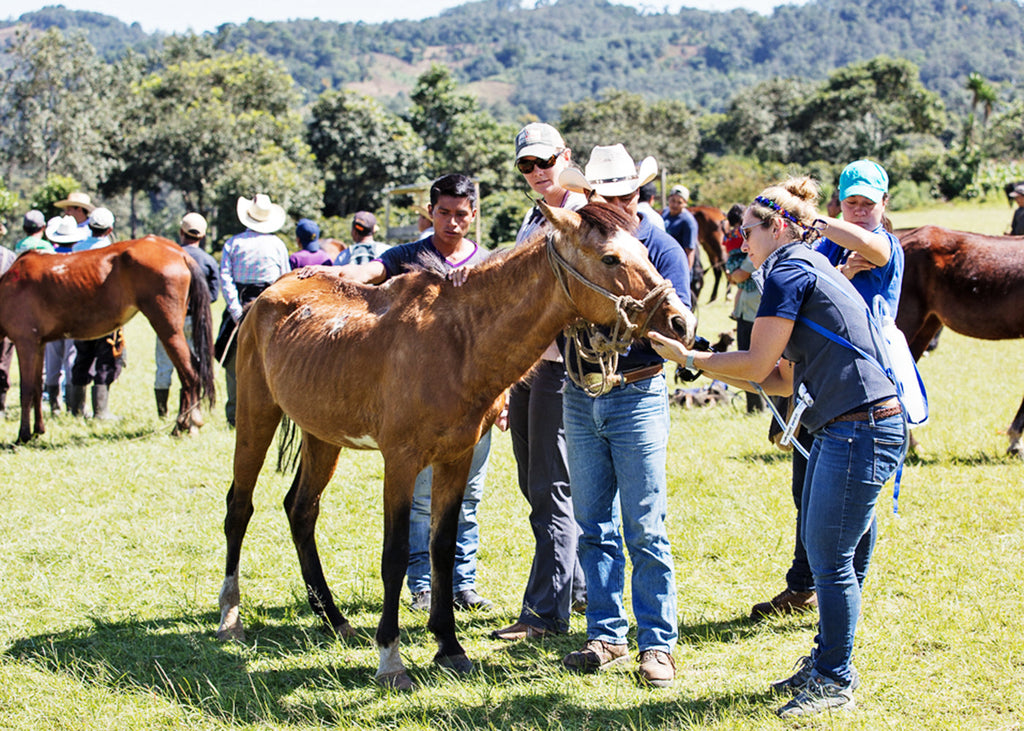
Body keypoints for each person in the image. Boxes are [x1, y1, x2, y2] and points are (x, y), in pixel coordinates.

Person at [648, 175, 908, 718]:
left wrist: (690, 360)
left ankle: (834, 679)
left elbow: (759, 365)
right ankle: (827, 662)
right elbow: (782, 380)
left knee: (830, 559)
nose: (740, 242)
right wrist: (706, 364)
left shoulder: (788, 269)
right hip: (855, 424)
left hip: (859, 427)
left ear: (779, 227)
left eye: (747, 231)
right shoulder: (807, 266)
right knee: (834, 556)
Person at [557, 144, 691, 688]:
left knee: (644, 525)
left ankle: (658, 643)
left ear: (640, 192)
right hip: (579, 391)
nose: (619, 204)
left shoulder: (659, 244)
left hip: (636, 392)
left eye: (627, 194)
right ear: (591, 196)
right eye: (607, 195)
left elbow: (684, 324)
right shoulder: (574, 245)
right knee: (594, 524)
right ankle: (607, 634)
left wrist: (631, 319)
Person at [333, 174, 493, 611]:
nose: (452, 222)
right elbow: (374, 270)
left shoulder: (487, 266)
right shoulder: (410, 255)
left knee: (468, 496)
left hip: (477, 404)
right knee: (422, 498)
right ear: (430, 212)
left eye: (462, 214)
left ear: (474, 215)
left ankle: (463, 582)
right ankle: (423, 583)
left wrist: (505, 396)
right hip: (422, 406)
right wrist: (339, 272)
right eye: (443, 213)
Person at [752, 159, 904, 621]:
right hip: (818, 379)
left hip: (861, 381)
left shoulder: (880, 243)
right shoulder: (829, 250)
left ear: (884, 205)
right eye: (850, 202)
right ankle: (805, 584)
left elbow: (874, 251)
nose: (858, 211)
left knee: (847, 498)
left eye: (867, 203)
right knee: (809, 488)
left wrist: (815, 221)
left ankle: (843, 588)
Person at [490, 122, 588, 642]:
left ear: (564, 156)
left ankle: (545, 613)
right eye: (525, 165)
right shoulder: (536, 214)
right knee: (537, 485)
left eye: (543, 162)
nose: (535, 172)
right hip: (531, 366)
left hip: (560, 368)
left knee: (551, 486)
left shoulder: (579, 214)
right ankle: (574, 587)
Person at [217, 194, 291, 426]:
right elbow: (285, 277)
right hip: (271, 306)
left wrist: (236, 311)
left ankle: (234, 413)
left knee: (232, 361)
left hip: (240, 304)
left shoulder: (233, 243)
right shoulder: (278, 244)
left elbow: (226, 278)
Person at [154, 212, 220, 417]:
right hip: (198, 321)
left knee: (164, 365)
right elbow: (214, 294)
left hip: (171, 321)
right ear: (202, 236)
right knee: (196, 363)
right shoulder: (208, 260)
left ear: (181, 232)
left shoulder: (167, 259)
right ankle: (193, 407)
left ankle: (162, 412)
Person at [68, 208, 122, 419]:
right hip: (106, 315)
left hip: (81, 314)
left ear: (89, 227)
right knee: (106, 359)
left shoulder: (77, 248)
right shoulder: (114, 253)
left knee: (82, 357)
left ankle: (76, 409)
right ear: (109, 229)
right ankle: (101, 410)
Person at [42, 215, 87, 413]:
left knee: (52, 359)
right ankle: (72, 404)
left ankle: (53, 403)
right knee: (71, 357)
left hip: (50, 315)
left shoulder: (47, 259)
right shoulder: (78, 260)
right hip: (72, 316)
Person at [724, 244, 765, 413]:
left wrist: (732, 274)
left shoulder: (759, 249)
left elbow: (740, 276)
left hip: (753, 312)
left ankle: (756, 407)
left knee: (750, 360)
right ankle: (755, 406)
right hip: (747, 309)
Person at [662, 184, 702, 303]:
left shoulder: (688, 222)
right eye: (672, 201)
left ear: (685, 203)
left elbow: (690, 250)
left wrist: (685, 274)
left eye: (679, 202)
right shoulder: (665, 214)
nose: (674, 205)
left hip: (678, 266)